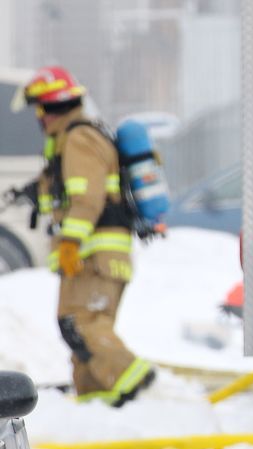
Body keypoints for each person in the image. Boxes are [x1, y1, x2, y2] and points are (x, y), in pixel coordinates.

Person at [21, 66, 155, 406]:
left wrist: (70, 242)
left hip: (93, 255)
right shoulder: (73, 140)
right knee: (79, 331)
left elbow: (86, 198)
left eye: (40, 109)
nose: (40, 119)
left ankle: (140, 386)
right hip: (94, 257)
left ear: (49, 109)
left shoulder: (79, 138)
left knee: (81, 323)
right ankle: (96, 405)